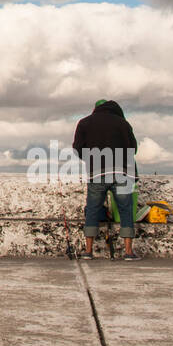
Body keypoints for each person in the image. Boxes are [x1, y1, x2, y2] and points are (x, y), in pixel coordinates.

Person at [72, 99, 139, 260]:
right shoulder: (123, 123)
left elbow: (77, 148)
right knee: (125, 210)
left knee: (93, 210)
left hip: (97, 173)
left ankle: (88, 251)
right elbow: (134, 148)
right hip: (122, 172)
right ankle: (129, 252)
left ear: (96, 108)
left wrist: (91, 159)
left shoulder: (85, 122)